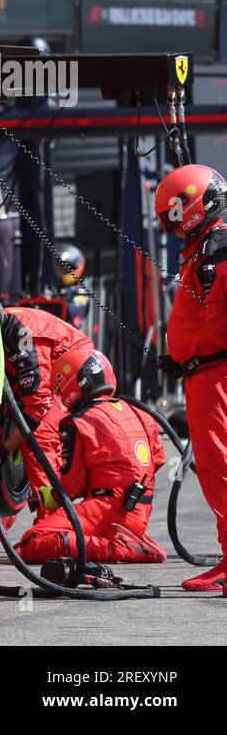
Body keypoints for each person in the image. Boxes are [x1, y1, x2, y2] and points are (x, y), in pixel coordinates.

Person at [16, 349, 167, 564]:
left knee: (32, 541)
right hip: (139, 514)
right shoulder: (139, 412)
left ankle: (117, 549)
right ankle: (130, 541)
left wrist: (48, 497)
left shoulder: (77, 421)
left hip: (106, 510)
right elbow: (158, 460)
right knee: (46, 540)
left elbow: (71, 487)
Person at [155, 164, 227, 591]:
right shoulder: (206, 249)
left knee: (221, 468)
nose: (173, 224)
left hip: (216, 378)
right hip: (204, 373)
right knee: (216, 469)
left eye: (177, 213)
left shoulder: (219, 249)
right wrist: (183, 358)